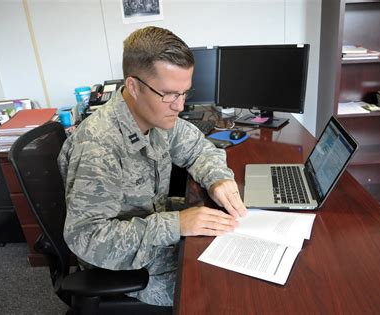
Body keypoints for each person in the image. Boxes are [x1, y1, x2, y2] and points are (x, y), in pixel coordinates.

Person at [58, 26, 247, 307]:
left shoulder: (155, 117)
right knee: (220, 294)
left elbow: (198, 148)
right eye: (170, 94)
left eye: (185, 93)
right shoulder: (98, 147)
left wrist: (218, 180)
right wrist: (176, 224)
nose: (180, 106)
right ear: (133, 87)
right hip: (124, 266)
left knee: (230, 263)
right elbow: (87, 238)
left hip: (154, 236)